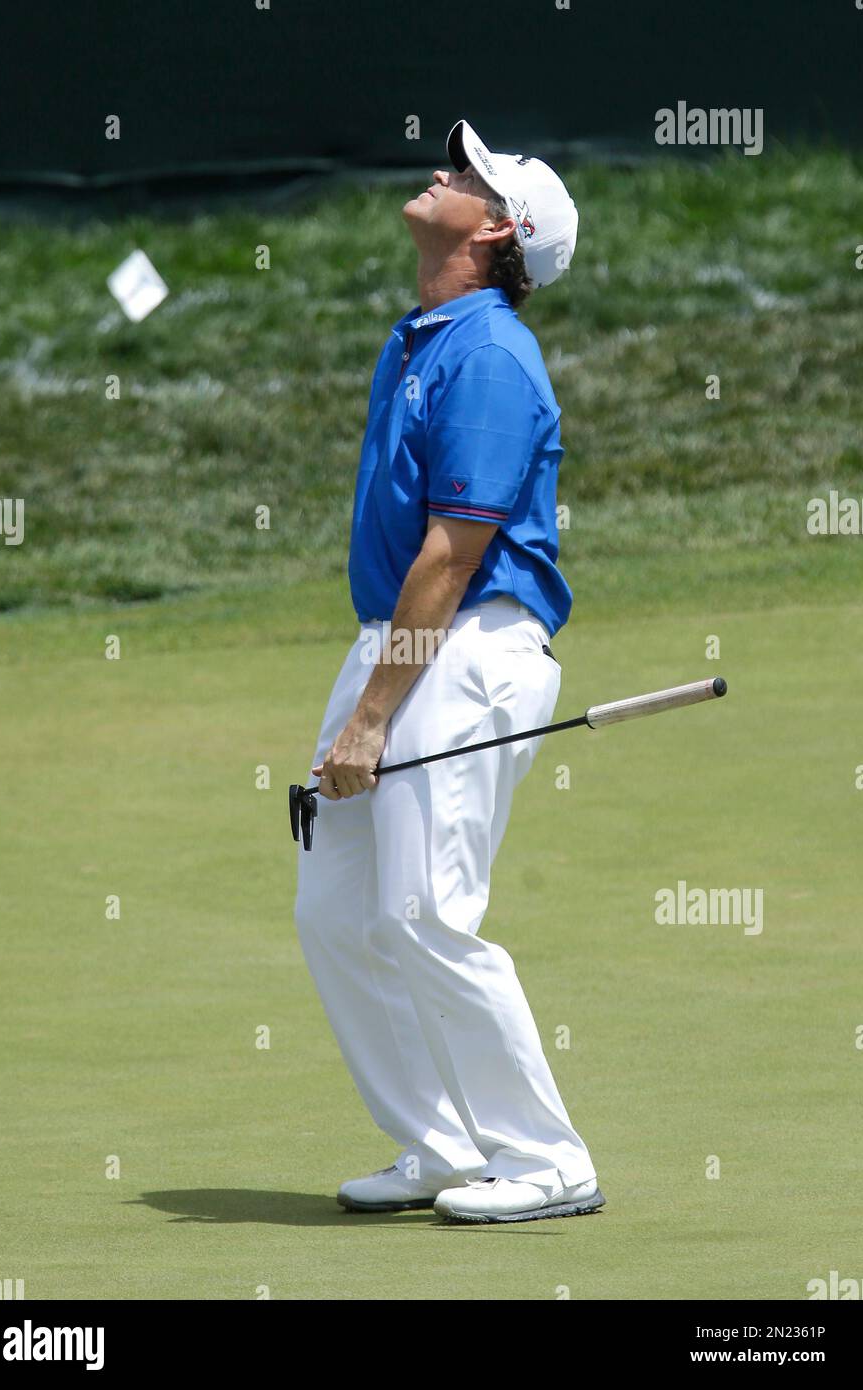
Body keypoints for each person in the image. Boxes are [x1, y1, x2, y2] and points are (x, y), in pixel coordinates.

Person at [294, 120, 604, 1224]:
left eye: (470, 177)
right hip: (400, 639)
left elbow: (454, 551)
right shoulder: (423, 334)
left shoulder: (487, 356)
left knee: (424, 912)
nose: (444, 173)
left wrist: (374, 717)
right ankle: (439, 1145)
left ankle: (550, 1159)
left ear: (497, 230)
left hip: (465, 646)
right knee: (336, 909)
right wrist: (373, 689)